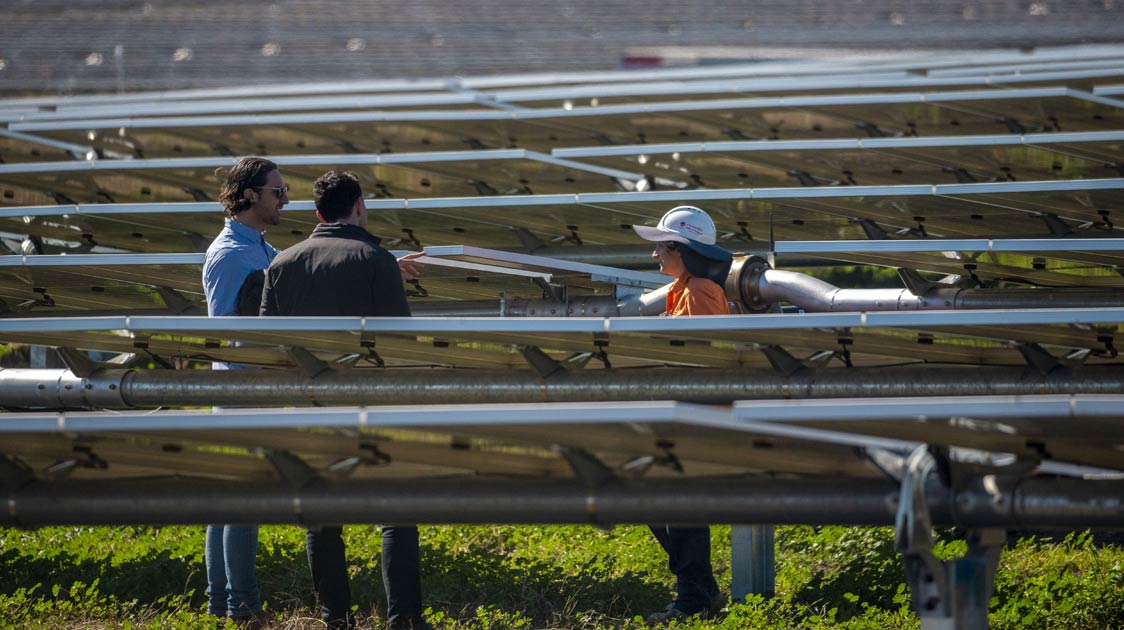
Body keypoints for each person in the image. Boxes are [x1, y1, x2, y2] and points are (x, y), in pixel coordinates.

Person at [260, 170, 427, 630]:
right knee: (396, 514)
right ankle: (404, 618)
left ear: (318, 213)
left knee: (322, 517)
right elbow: (401, 344)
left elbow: (268, 346)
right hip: (371, 402)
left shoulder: (282, 264)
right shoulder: (376, 260)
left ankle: (335, 617)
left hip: (310, 402)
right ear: (358, 206)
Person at [631, 205, 733, 624]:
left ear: (681, 249)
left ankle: (694, 598)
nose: (654, 254)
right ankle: (701, 591)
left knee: (676, 507)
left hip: (696, 415)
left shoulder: (700, 292)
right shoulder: (685, 289)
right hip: (686, 413)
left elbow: (701, 358)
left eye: (661, 247)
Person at [201, 156, 287, 628]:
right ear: (250, 195)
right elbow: (227, 333)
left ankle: (221, 604)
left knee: (229, 501)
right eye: (278, 191)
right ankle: (243, 609)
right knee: (244, 501)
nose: (285, 200)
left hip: (250, 382)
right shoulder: (231, 255)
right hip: (242, 384)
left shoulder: (260, 247)